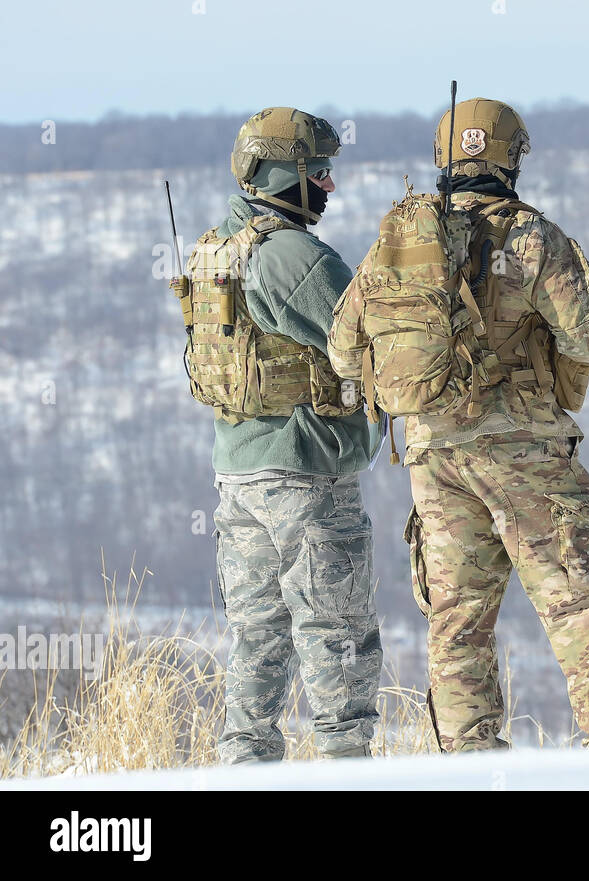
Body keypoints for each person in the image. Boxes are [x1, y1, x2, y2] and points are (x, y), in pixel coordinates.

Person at [328, 98, 589, 751]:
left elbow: (341, 346)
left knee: (457, 615)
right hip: (521, 445)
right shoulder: (530, 236)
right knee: (582, 587)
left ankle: (467, 758)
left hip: (432, 454)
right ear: (509, 156)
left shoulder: (399, 244)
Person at [181, 107, 383, 762]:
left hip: (238, 474)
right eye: (318, 171)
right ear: (280, 172)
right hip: (306, 471)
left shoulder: (217, 246)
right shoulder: (293, 253)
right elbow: (369, 340)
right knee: (338, 631)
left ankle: (244, 768)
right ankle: (348, 771)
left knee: (257, 639)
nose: (330, 185)